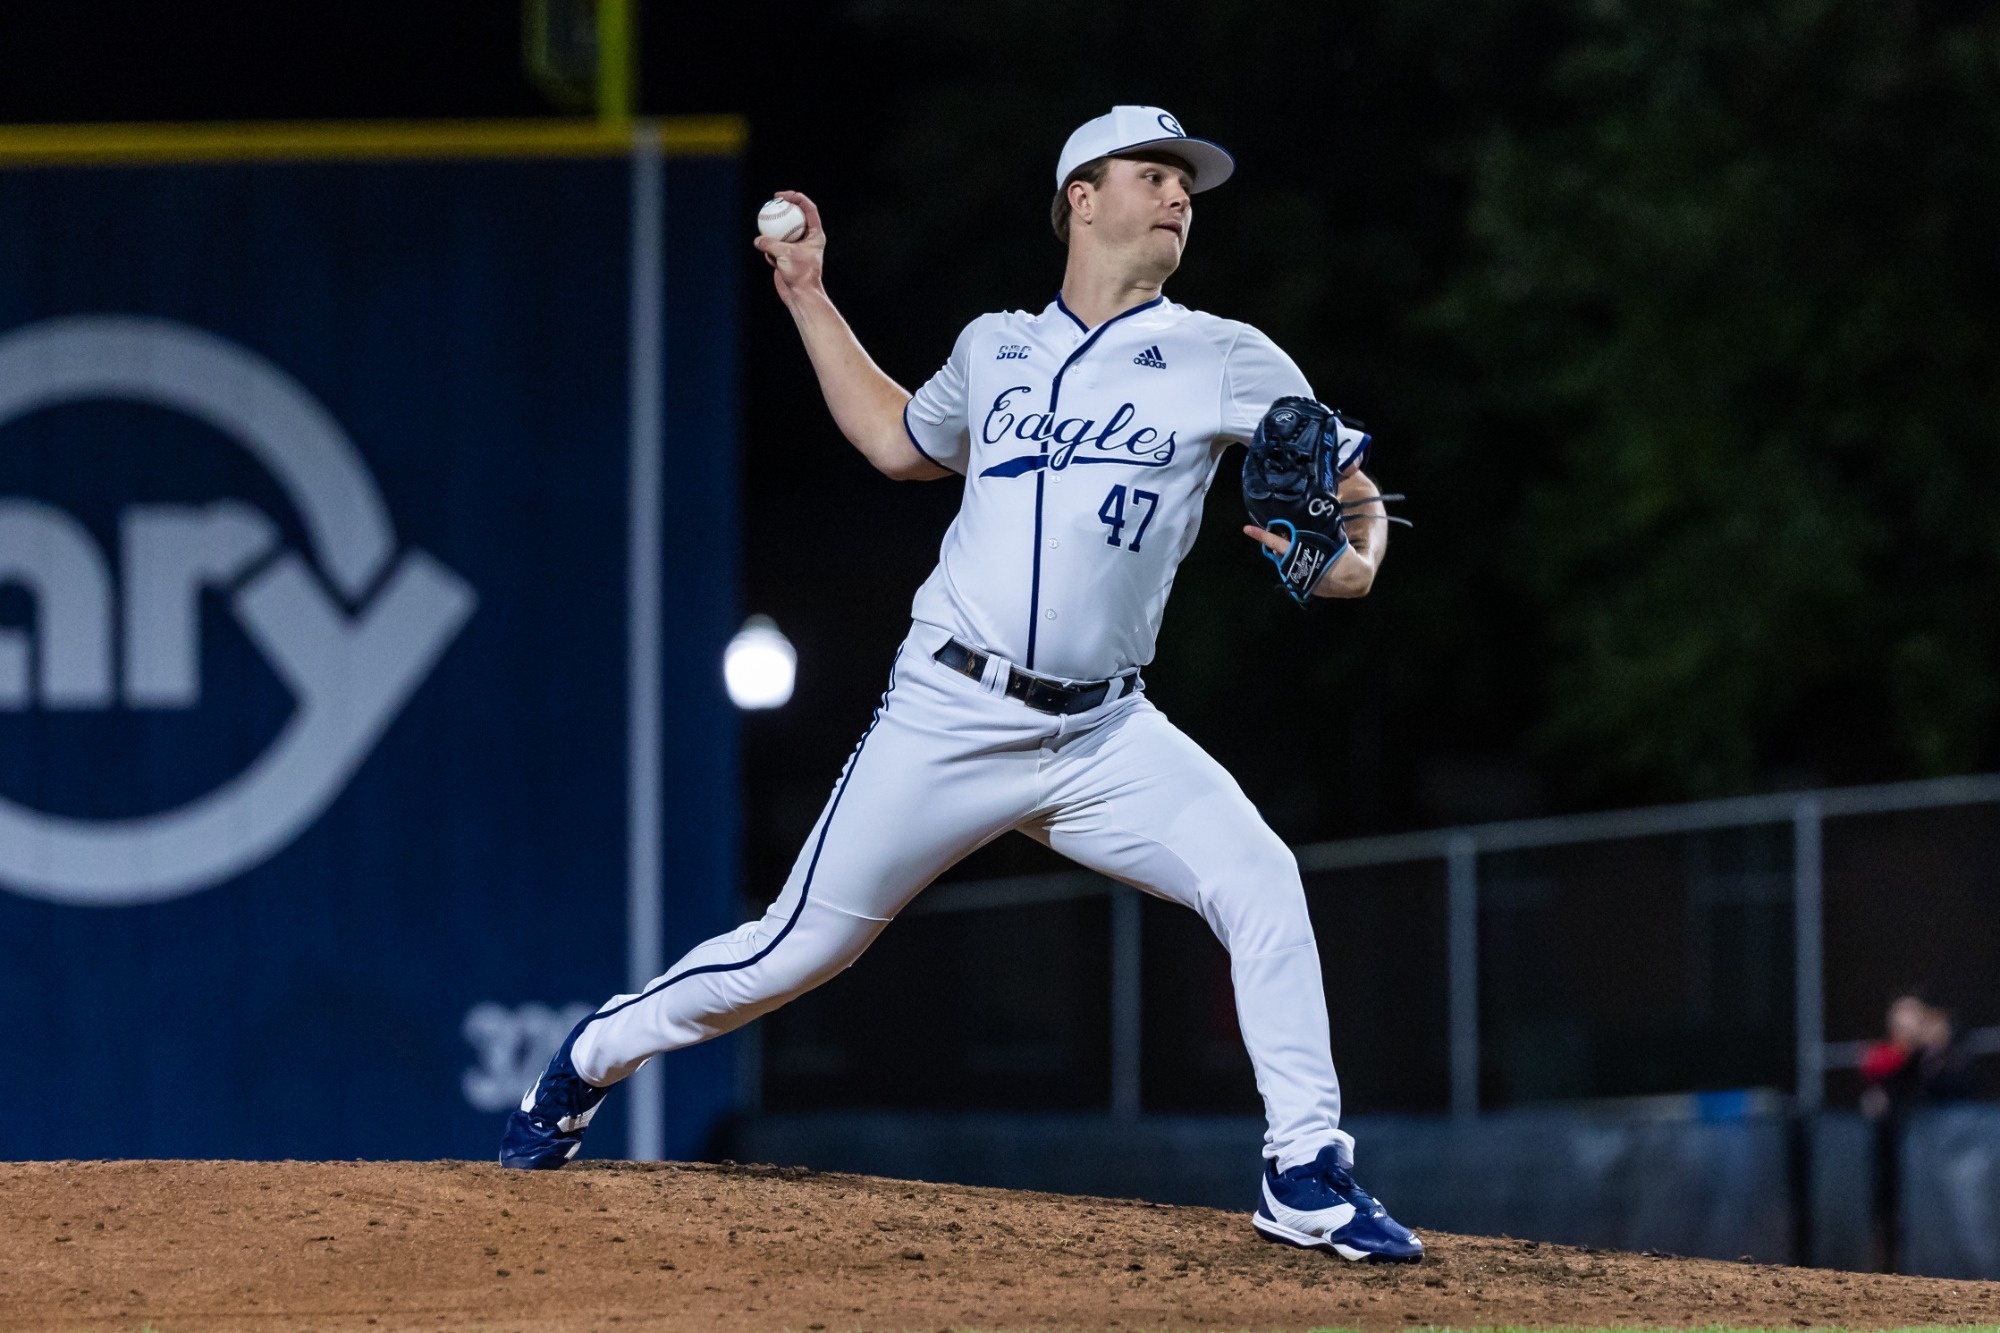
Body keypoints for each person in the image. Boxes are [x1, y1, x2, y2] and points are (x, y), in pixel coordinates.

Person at [499, 105, 1421, 1264]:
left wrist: (1353, 561)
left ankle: (1304, 1167)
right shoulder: (996, 348)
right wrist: (805, 295)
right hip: (951, 709)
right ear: (1080, 198)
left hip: (1104, 731)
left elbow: (1349, 495)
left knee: (1262, 881)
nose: (1179, 193)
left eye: (1186, 181)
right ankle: (594, 1055)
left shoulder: (1226, 354)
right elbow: (895, 440)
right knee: (793, 952)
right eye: (1153, 173)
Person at [1859, 992, 1978, 1271]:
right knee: (1893, 1219)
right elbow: (1879, 1079)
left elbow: (1956, 1088)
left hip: (1946, 1162)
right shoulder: (1899, 1060)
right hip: (1899, 1162)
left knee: (1952, 1221)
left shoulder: (1948, 1057)